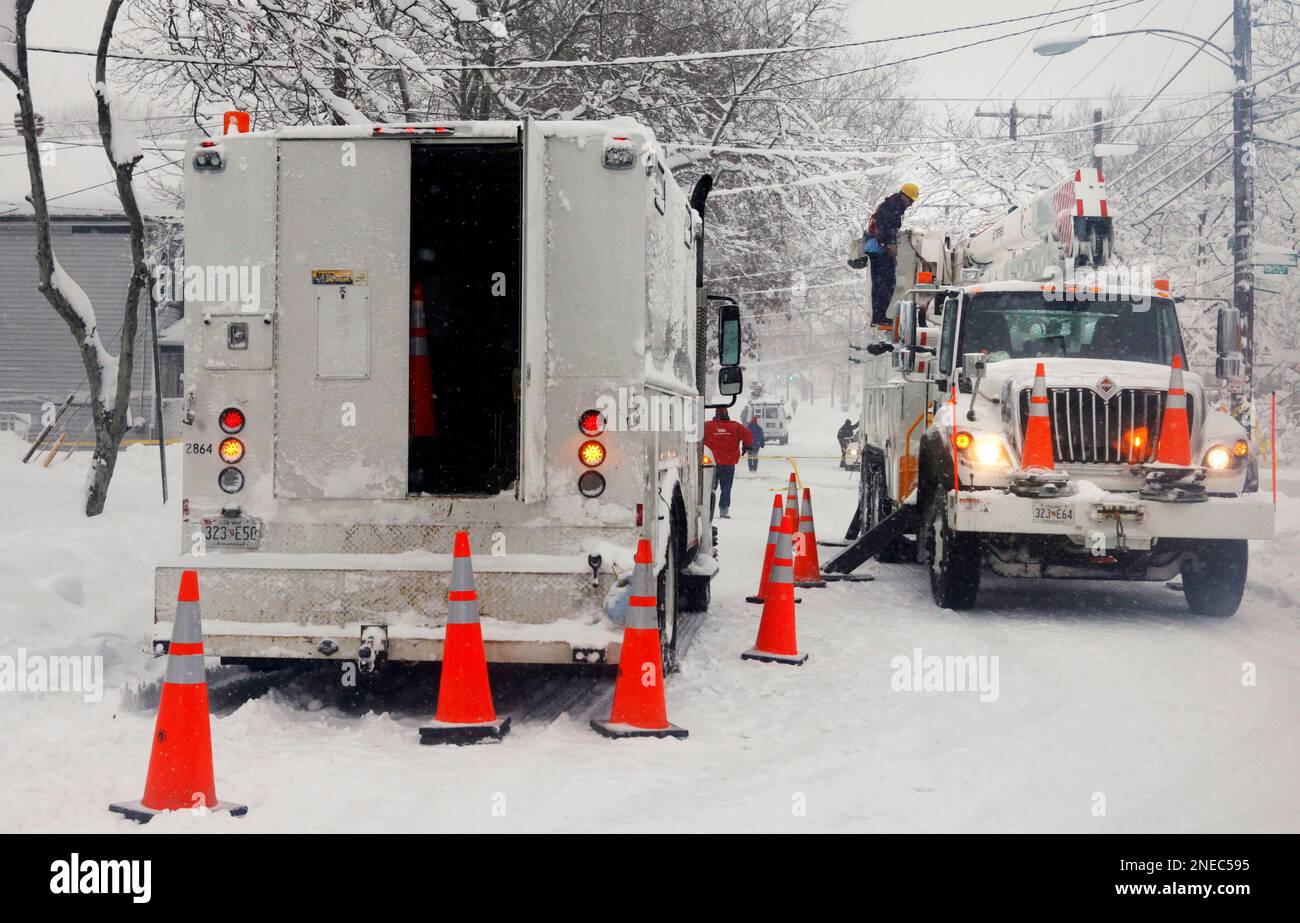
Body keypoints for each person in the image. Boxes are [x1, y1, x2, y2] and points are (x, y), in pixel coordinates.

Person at [866, 182, 919, 326]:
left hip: (876, 248)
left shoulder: (891, 204)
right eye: (911, 200)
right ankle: (879, 317)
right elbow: (887, 228)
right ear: (904, 196)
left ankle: (877, 317)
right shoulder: (893, 206)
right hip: (880, 249)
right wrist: (890, 248)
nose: (911, 204)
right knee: (886, 284)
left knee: (879, 285)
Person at [703, 407, 753, 518]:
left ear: (716, 414)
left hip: (711, 465)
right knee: (726, 489)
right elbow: (748, 435)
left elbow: (695, 436)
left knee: (709, 489)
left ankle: (706, 510)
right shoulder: (735, 426)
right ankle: (724, 511)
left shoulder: (708, 426)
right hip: (728, 464)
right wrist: (746, 446)